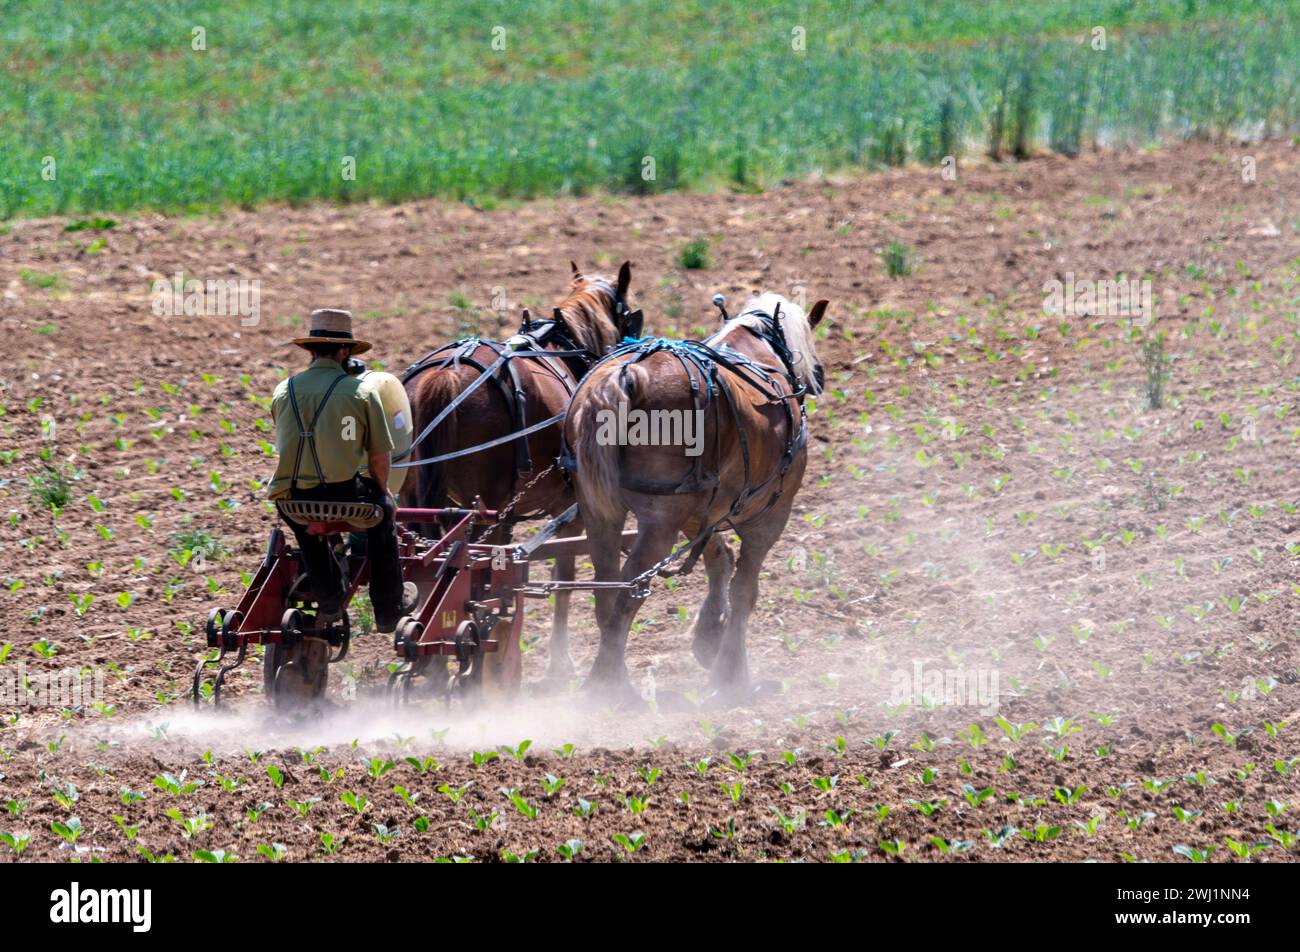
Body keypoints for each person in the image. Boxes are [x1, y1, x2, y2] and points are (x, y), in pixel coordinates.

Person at [266, 308, 414, 633]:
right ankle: (389, 609)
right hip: (345, 495)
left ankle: (330, 598)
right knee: (382, 519)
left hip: (292, 499)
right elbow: (378, 457)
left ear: (311, 351)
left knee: (307, 533)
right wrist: (383, 493)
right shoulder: (361, 393)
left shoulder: (283, 390)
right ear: (344, 351)